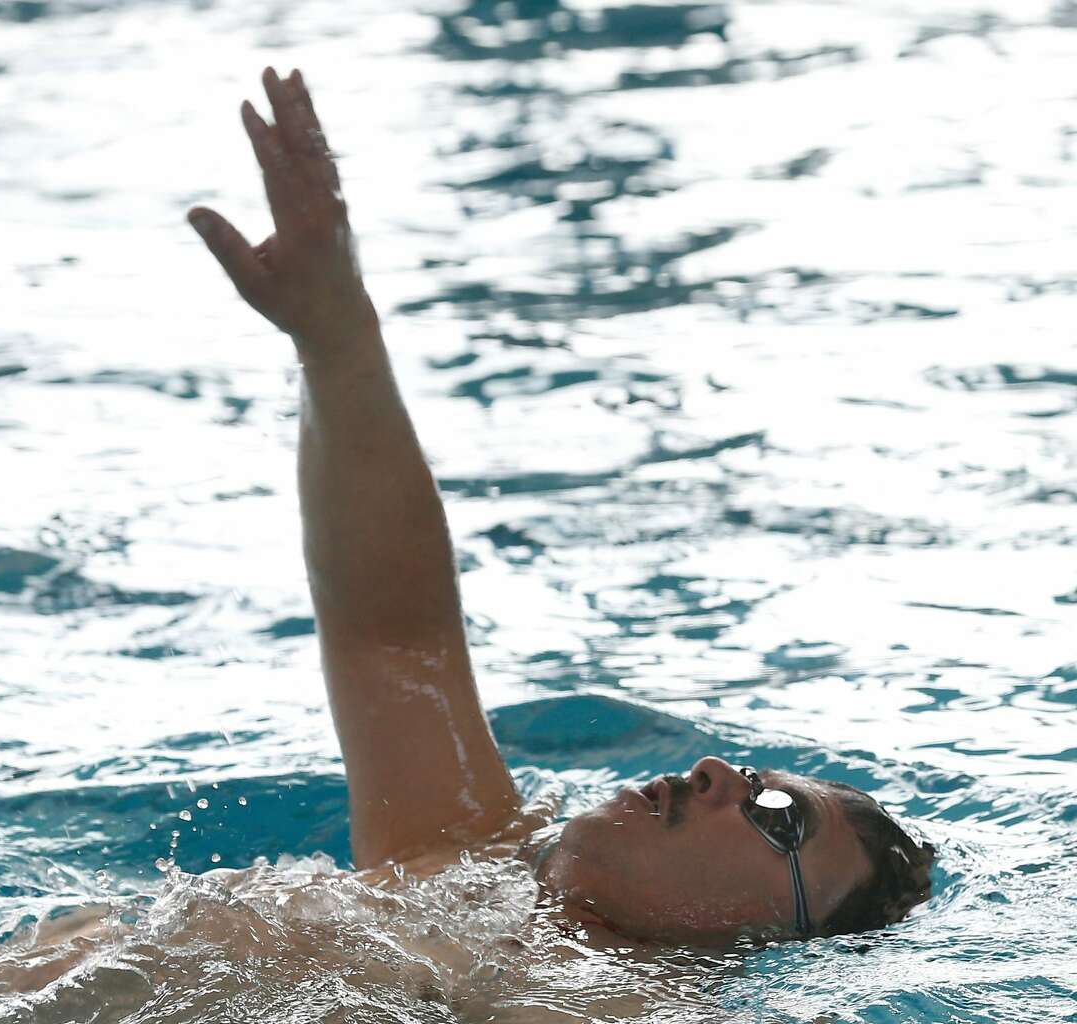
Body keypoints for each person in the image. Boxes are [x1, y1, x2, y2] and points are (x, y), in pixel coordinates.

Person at [185, 67, 935, 951]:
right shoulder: (458, 855)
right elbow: (395, 640)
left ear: (769, 936)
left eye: (778, 819)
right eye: (744, 773)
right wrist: (335, 329)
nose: (709, 774)